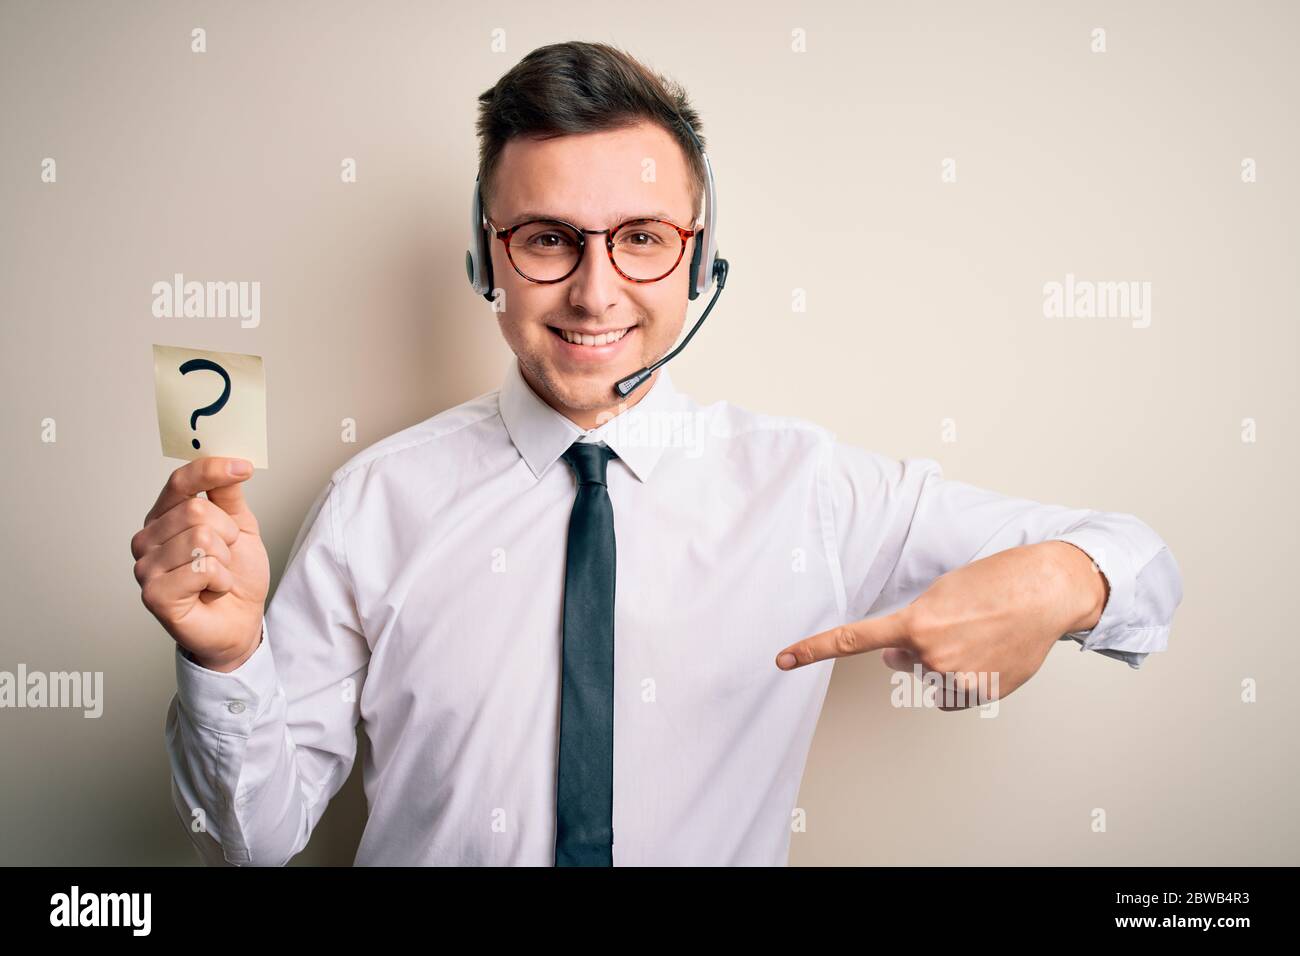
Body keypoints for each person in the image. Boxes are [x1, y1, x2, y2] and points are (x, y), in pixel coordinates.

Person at [130, 41, 1183, 866]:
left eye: (640, 237)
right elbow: (252, 839)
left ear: (698, 257)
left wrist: (1059, 580)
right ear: (485, 252)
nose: (595, 292)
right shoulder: (377, 499)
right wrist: (223, 661)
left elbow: (1141, 560)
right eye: (548, 238)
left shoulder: (808, 490)